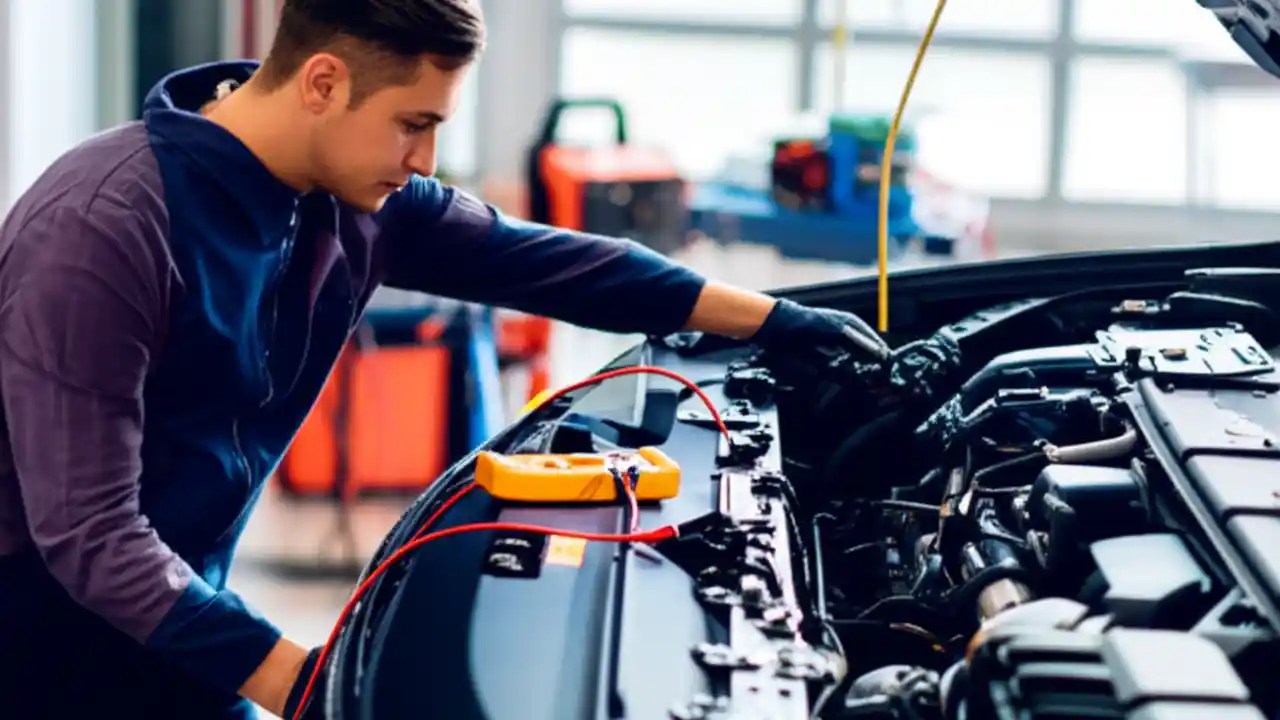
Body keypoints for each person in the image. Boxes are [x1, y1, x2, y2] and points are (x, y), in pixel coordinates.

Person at [0, 0, 888, 717]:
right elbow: (91, 536)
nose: (425, 160)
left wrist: (776, 319)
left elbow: (555, 263)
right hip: (41, 642)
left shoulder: (353, 195)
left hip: (182, 618)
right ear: (322, 81)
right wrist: (292, 681)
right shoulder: (103, 231)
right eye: (411, 124)